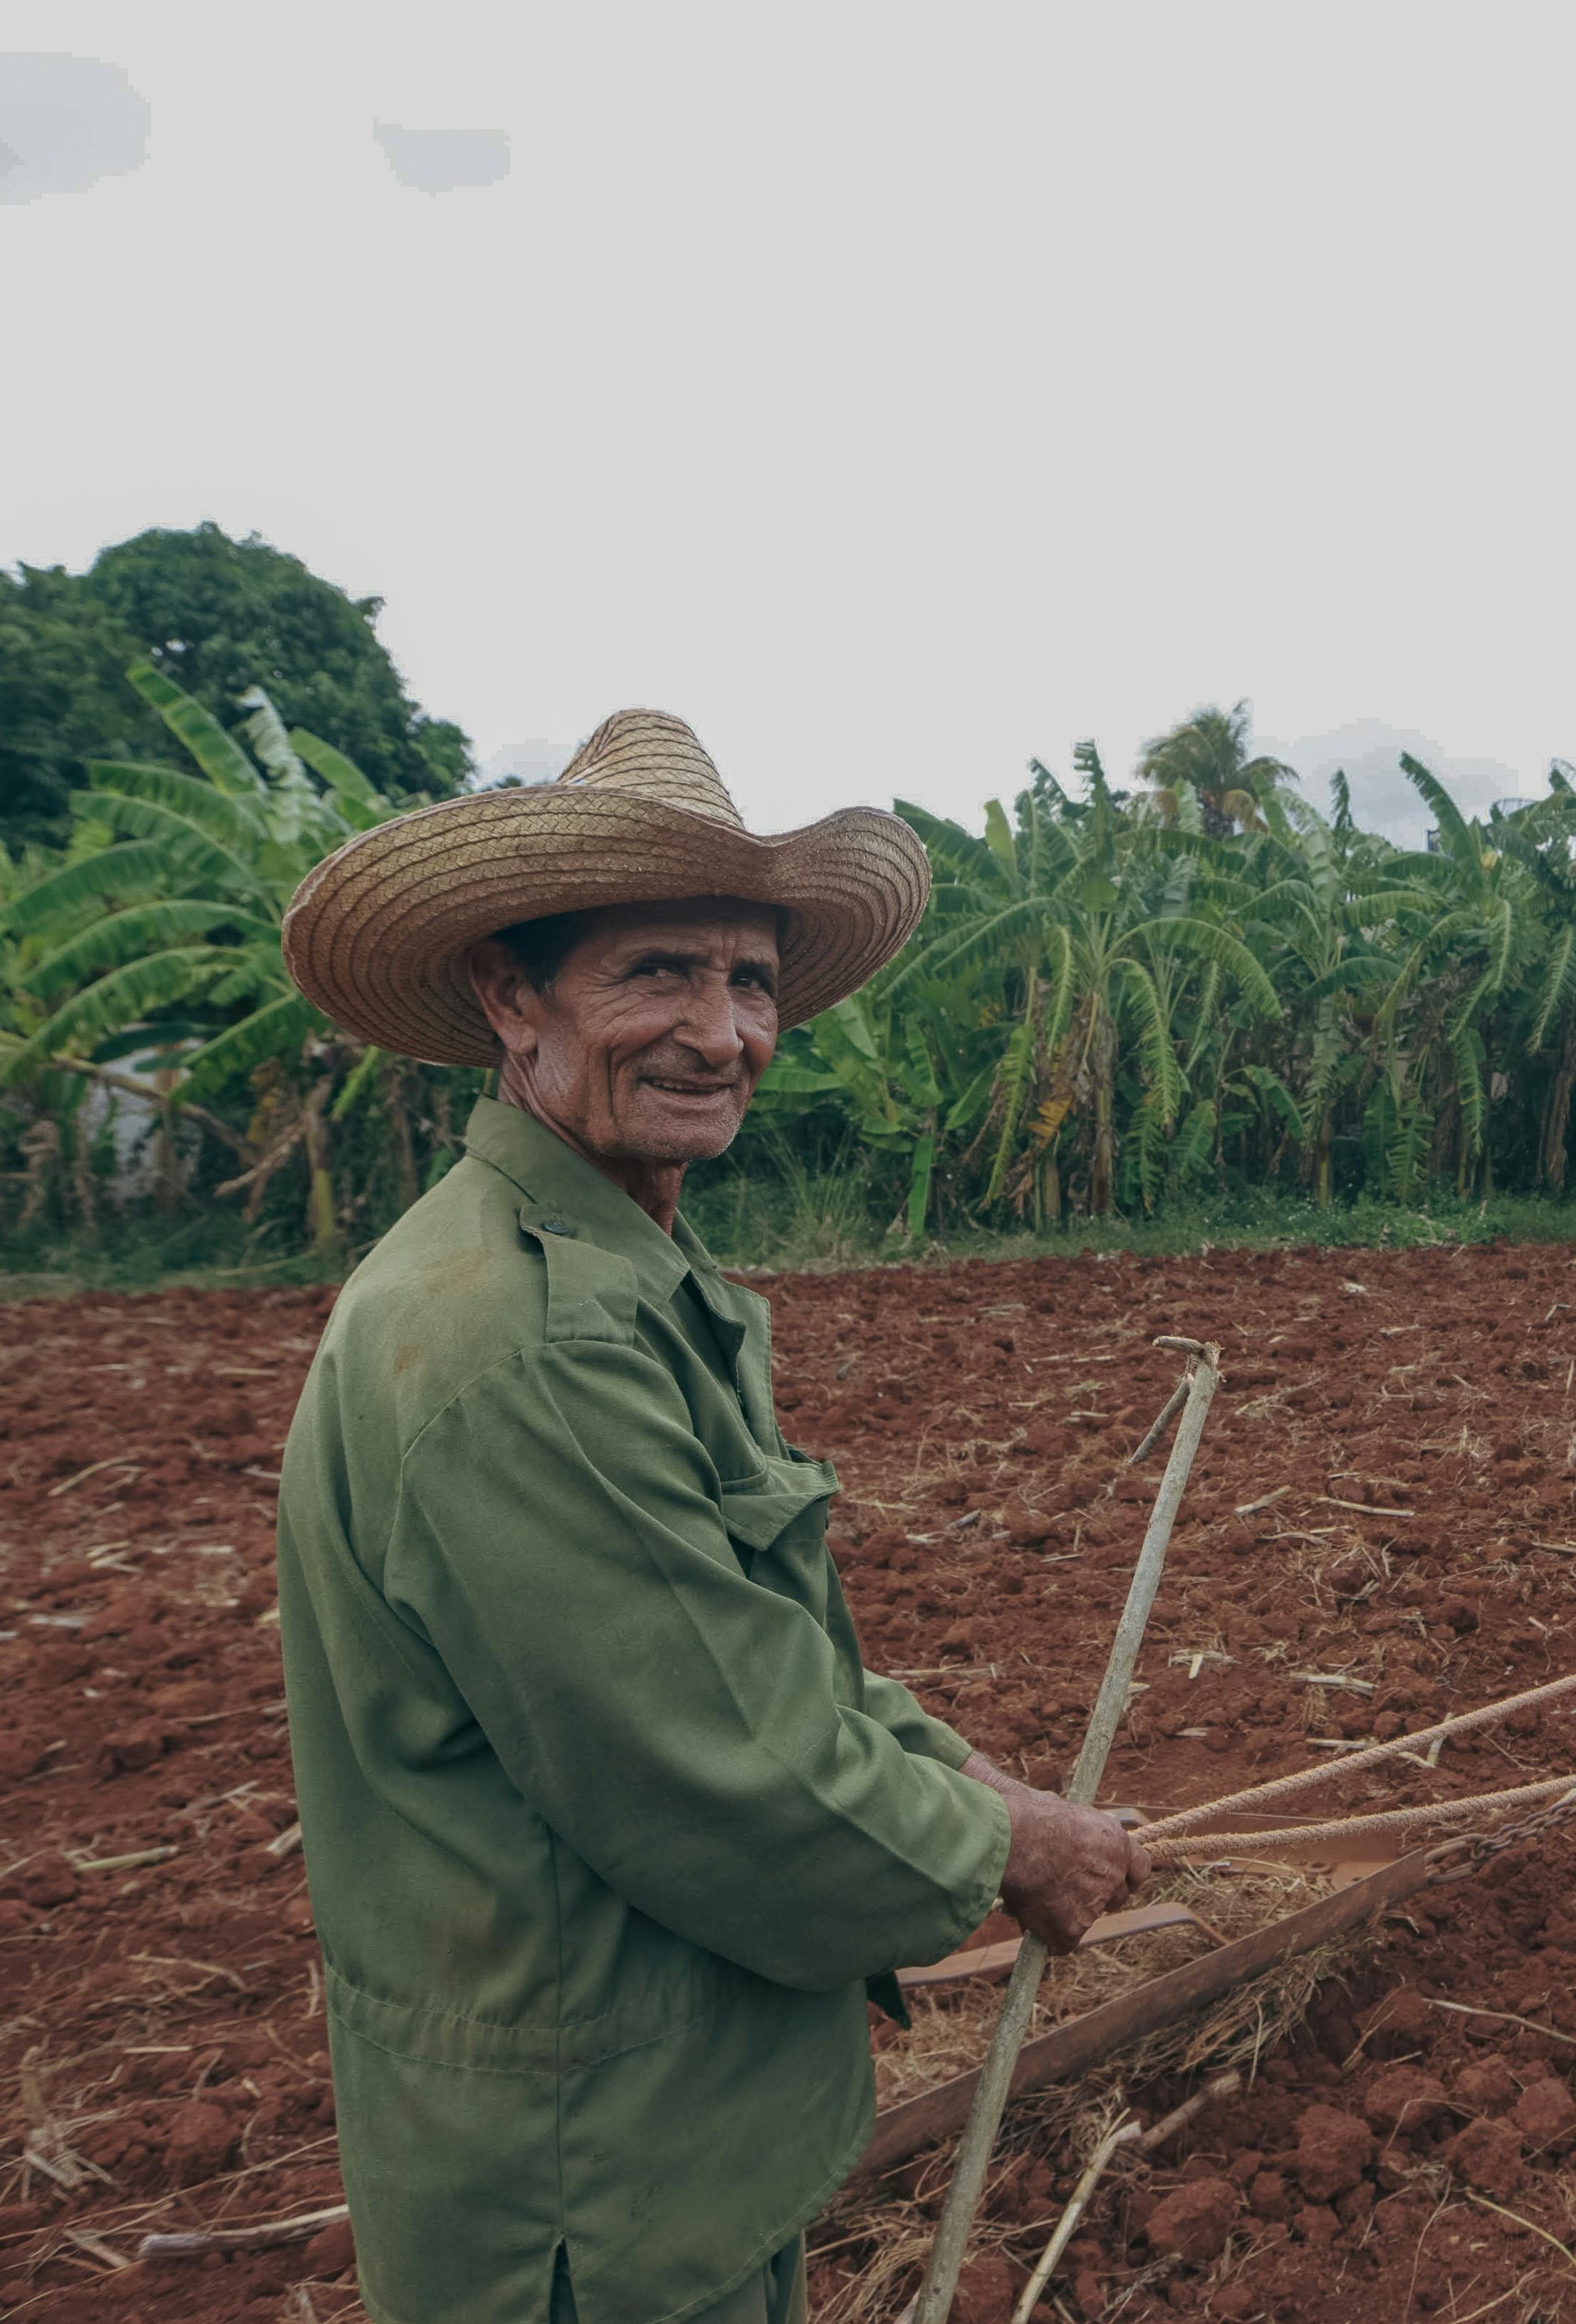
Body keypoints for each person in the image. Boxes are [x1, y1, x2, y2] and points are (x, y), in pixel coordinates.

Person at [274, 711, 1146, 2324]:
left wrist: (977, 1777)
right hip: (589, 2179)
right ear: (508, 995)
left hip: (650, 2111)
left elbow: (756, 1652)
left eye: (748, 981)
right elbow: (721, 1760)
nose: (719, 1029)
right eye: (655, 971)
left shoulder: (607, 1271)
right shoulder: (520, 1337)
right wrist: (1011, 1846)